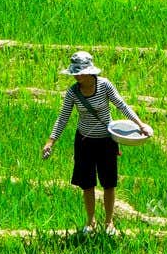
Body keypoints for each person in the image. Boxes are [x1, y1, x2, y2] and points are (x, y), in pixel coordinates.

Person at [41, 51, 150, 234]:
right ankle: (91, 222)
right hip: (84, 142)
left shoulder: (104, 85)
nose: (76, 76)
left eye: (80, 72)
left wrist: (140, 125)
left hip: (107, 140)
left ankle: (109, 222)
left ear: (89, 72)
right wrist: (51, 141)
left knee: (109, 183)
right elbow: (63, 117)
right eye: (74, 73)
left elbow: (121, 105)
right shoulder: (73, 92)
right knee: (87, 183)